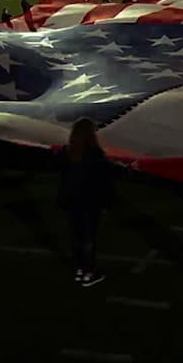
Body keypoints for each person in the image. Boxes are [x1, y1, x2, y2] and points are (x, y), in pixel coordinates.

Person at [57, 118, 120, 288]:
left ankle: (79, 269)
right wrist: (108, 202)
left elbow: (63, 178)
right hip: (90, 202)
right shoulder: (95, 155)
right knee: (89, 238)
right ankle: (89, 271)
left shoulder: (66, 153)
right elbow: (104, 181)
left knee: (76, 236)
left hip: (71, 201)